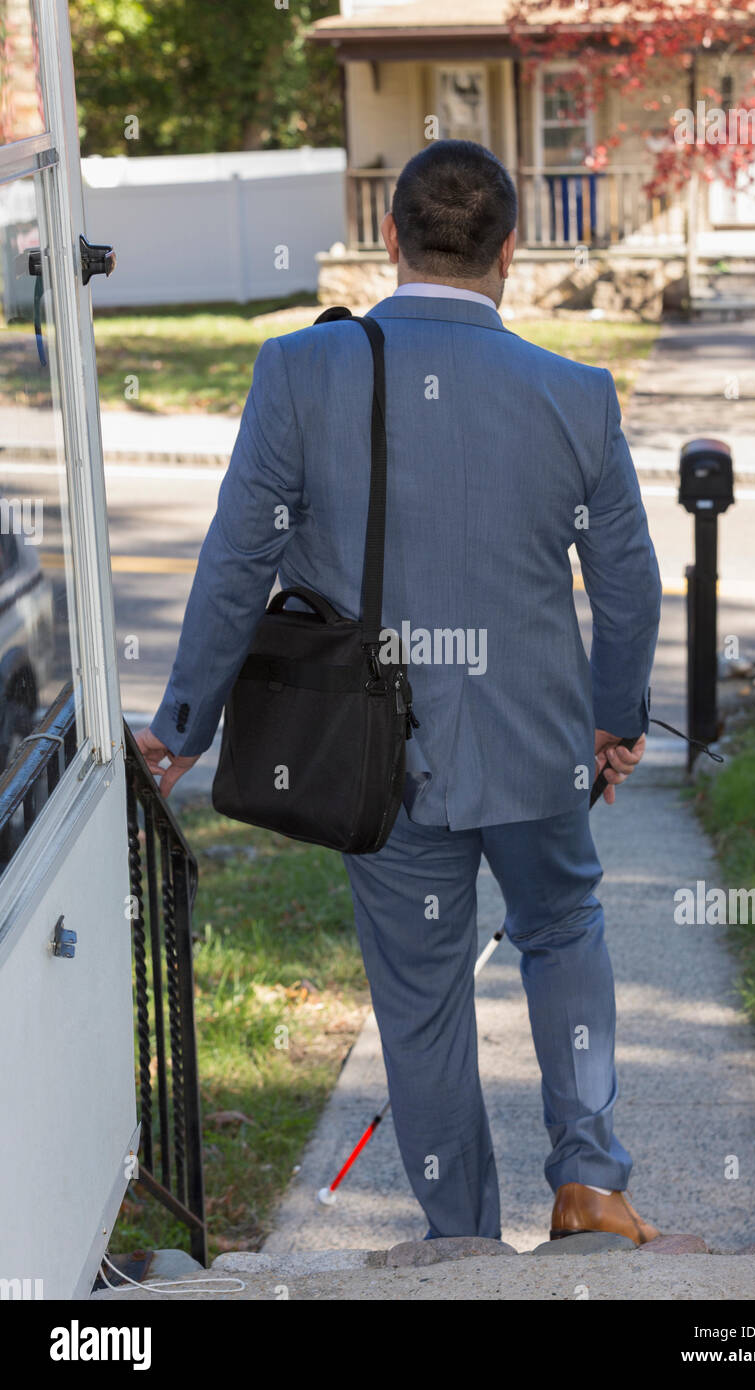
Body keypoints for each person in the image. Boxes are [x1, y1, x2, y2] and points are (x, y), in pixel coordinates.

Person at [136, 140, 663, 1245]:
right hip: (533, 751)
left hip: (379, 761)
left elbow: (239, 559)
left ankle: (461, 1244)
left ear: (391, 240)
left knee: (421, 1004)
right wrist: (612, 725)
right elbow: (627, 586)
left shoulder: (299, 370)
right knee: (562, 930)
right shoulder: (576, 394)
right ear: (509, 250)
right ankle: (588, 1180)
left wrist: (184, 726)